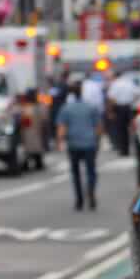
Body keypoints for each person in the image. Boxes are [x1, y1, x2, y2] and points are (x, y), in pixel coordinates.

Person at [56, 80, 104, 211]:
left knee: (76, 172)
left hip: (73, 144)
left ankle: (79, 199)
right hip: (89, 143)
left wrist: (60, 142)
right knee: (91, 171)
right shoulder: (91, 107)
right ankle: (91, 190)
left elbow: (62, 128)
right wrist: (98, 141)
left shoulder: (66, 108)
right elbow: (98, 127)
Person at [106, 71, 140, 157]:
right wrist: (131, 101)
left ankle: (124, 150)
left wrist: (110, 111)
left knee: (121, 130)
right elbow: (137, 94)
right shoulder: (129, 83)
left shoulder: (115, 84)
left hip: (120, 108)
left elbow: (111, 98)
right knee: (133, 129)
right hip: (130, 107)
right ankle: (136, 148)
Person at [19, 89, 48, 171]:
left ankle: (34, 162)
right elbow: (44, 118)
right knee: (33, 147)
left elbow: (25, 121)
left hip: (31, 130)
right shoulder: (32, 107)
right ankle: (34, 162)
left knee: (31, 147)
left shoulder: (28, 107)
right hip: (32, 130)